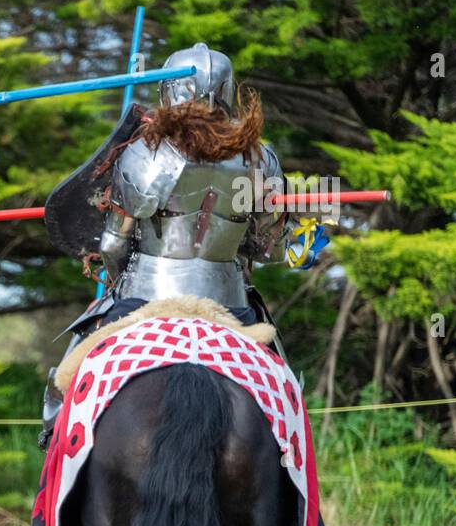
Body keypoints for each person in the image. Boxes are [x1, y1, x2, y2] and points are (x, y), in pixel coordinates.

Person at [38, 42, 287, 447]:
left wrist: (114, 286)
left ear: (170, 91)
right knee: (287, 389)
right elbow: (271, 249)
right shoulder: (262, 160)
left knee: (63, 383)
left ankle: (52, 443)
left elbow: (114, 243)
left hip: (146, 297)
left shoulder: (145, 154)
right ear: (225, 91)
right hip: (231, 302)